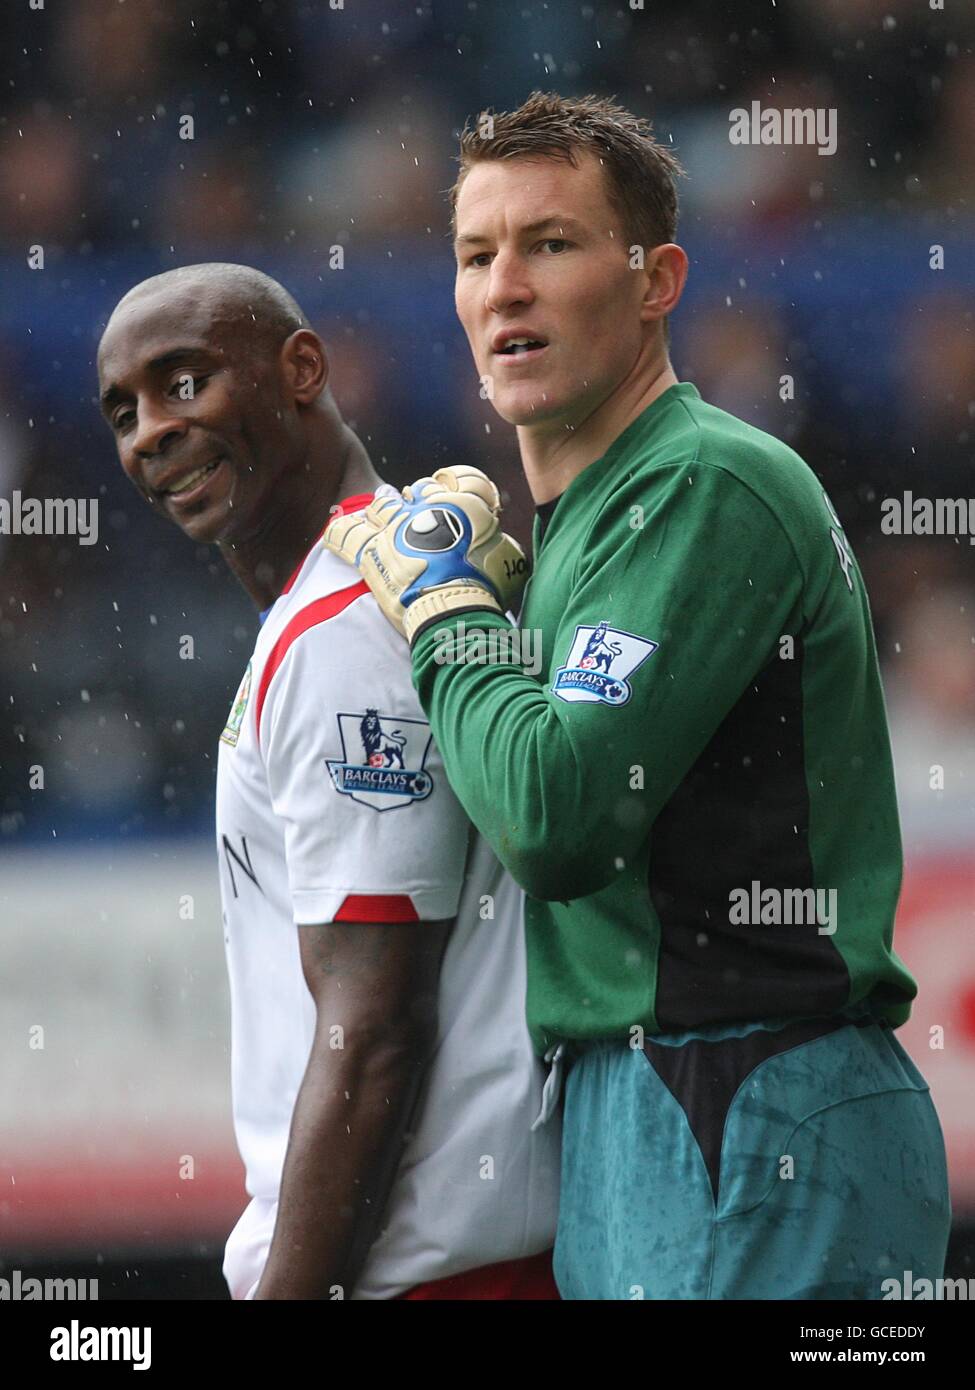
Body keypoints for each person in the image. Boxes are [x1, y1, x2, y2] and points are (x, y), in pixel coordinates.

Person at [326, 92, 952, 1300]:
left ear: (657, 277)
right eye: (475, 254)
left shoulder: (706, 482)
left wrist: (450, 618)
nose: (504, 284)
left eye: (549, 243)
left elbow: (560, 812)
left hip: (757, 1100)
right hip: (649, 1107)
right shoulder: (585, 527)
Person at [96, 262, 560, 1300]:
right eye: (123, 411)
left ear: (302, 367)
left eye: (183, 383)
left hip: (426, 1278)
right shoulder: (370, 593)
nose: (150, 433)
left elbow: (376, 1031)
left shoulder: (345, 628)